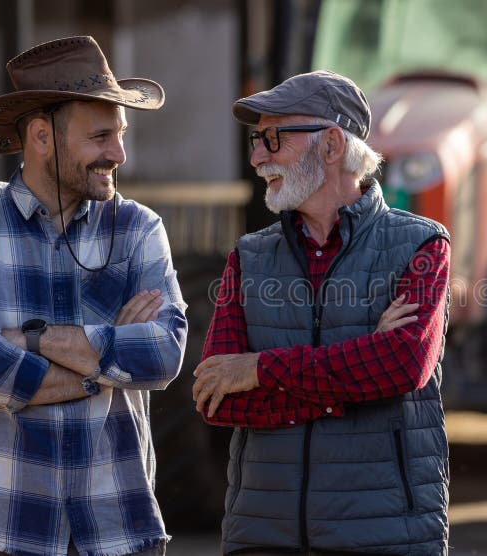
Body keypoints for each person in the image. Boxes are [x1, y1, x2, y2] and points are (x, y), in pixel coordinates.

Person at [192, 70, 450, 555]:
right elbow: (218, 399)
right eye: (255, 140)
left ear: (332, 145)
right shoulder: (247, 257)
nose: (256, 157)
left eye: (272, 139)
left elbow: (402, 365)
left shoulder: (421, 245)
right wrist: (357, 379)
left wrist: (259, 369)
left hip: (385, 537)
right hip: (262, 536)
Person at [0, 36, 187, 556]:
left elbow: (164, 353)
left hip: (120, 525)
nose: (119, 154)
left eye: (121, 134)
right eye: (101, 136)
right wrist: (104, 370)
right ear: (41, 136)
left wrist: (29, 339)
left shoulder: (137, 228)